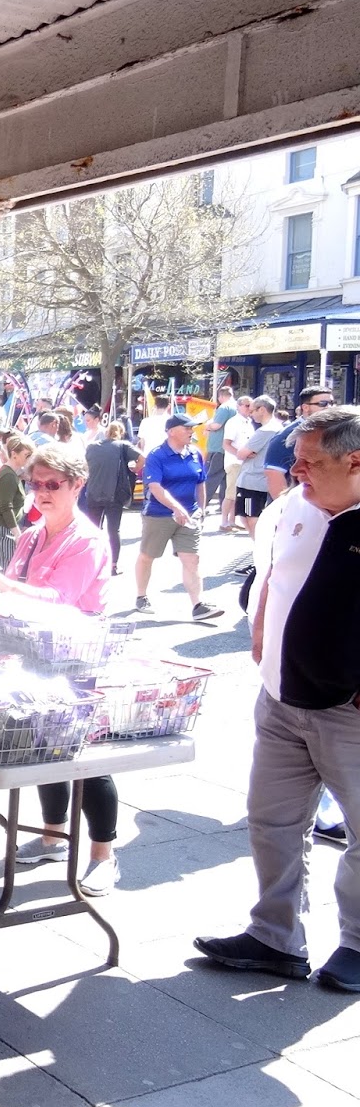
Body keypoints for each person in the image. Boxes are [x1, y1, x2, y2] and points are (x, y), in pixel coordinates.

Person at [194, 405, 360, 993]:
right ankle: (275, 937)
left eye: (310, 461)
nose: (296, 470)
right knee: (273, 822)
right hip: (282, 697)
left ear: (355, 461)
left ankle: (358, 944)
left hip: (348, 711)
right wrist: (262, 633)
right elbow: (272, 576)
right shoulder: (297, 506)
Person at [0, 443, 121, 893]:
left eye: (52, 484)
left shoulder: (87, 540)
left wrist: (3, 585)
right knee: (42, 747)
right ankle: (53, 836)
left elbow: (60, 598)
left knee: (80, 755)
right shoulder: (32, 534)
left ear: (77, 485)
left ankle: (103, 854)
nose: (41, 493)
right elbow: (15, 587)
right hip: (33, 655)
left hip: (75, 659)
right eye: (34, 484)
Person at [134, 414, 224, 620]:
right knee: (148, 556)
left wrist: (201, 509)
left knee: (192, 559)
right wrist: (176, 508)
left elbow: (200, 482)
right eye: (187, 428)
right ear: (171, 431)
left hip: (190, 515)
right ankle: (141, 596)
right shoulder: (156, 456)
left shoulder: (195, 453)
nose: (191, 431)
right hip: (159, 515)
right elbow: (155, 487)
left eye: (192, 428)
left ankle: (198, 605)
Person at [82, 420, 143, 572]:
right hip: (114, 494)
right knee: (113, 530)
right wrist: (136, 469)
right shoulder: (123, 446)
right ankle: (113, 565)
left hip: (94, 492)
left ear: (106, 432)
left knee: (93, 529)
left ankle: (91, 563)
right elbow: (143, 457)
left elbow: (84, 465)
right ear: (121, 433)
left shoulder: (92, 447)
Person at [264, 384, 337, 500]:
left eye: (332, 403)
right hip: (297, 504)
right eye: (323, 404)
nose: (329, 407)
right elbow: (274, 474)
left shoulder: (330, 431)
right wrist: (285, 506)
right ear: (306, 407)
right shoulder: (287, 435)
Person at [0, 432, 34, 567]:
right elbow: (6, 507)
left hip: (0, 527)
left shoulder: (10, 473)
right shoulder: (8, 476)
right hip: (0, 529)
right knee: (4, 570)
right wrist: (17, 534)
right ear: (14, 454)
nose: (29, 459)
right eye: (27, 455)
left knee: (1, 570)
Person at [230, 396, 282, 538]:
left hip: (253, 482)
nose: (250, 414)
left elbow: (241, 453)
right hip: (261, 480)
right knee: (249, 517)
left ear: (262, 410)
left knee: (251, 518)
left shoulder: (265, 431)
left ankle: (259, 547)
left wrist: (246, 452)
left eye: (252, 410)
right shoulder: (279, 428)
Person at [220, 395, 255, 532]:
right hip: (235, 462)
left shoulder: (249, 422)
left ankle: (232, 521)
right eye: (247, 405)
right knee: (231, 493)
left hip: (245, 462)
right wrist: (241, 455)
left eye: (251, 406)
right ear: (238, 406)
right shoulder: (234, 422)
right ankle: (224, 522)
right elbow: (226, 444)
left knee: (238, 494)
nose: (249, 408)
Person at [203, 384, 236, 513]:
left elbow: (216, 425)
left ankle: (202, 503)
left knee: (212, 477)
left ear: (221, 396)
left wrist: (207, 426)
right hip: (230, 448)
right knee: (225, 480)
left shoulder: (224, 407)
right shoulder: (236, 407)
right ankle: (224, 505)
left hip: (218, 447)